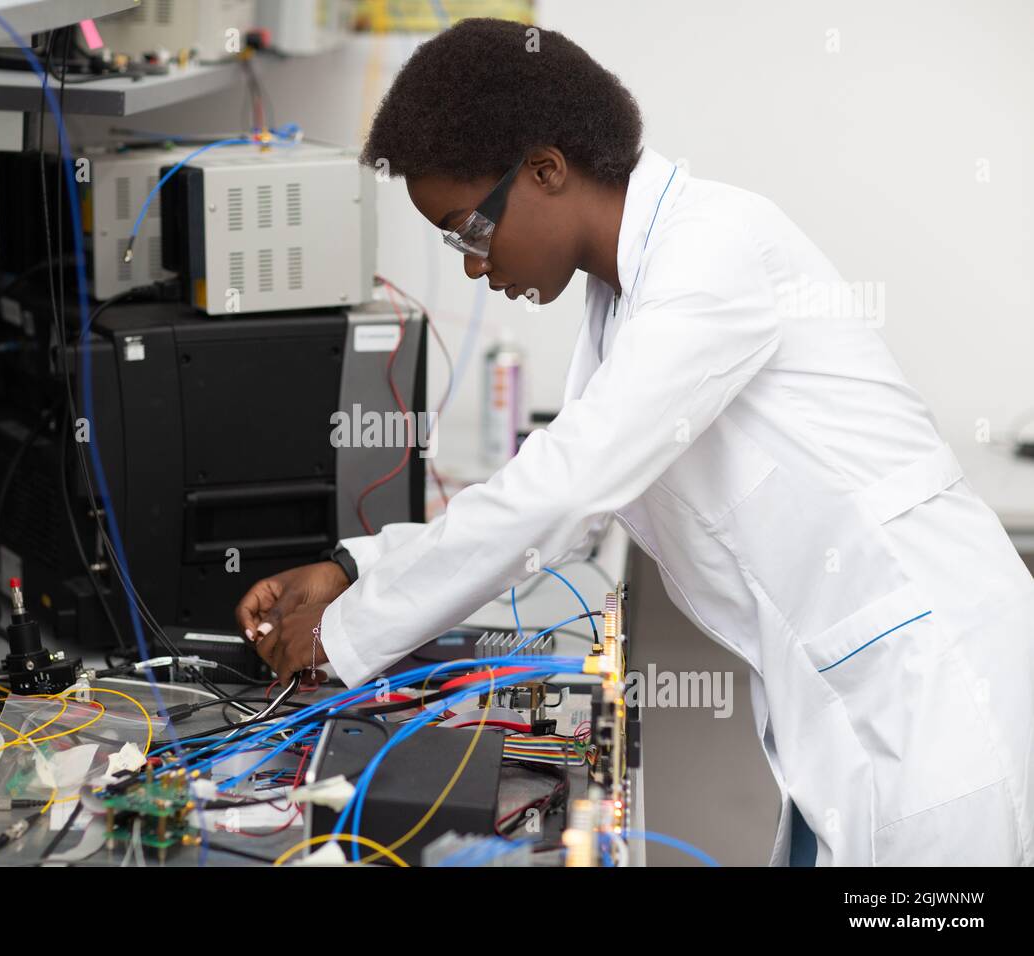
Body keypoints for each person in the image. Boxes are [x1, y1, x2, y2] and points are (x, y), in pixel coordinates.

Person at [233, 17, 1034, 866]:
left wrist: (346, 632)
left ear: (545, 170)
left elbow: (565, 492)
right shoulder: (629, 291)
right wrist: (359, 567)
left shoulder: (712, 254)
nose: (472, 262)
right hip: (853, 710)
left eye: (470, 227)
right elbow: (561, 496)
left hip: (941, 708)